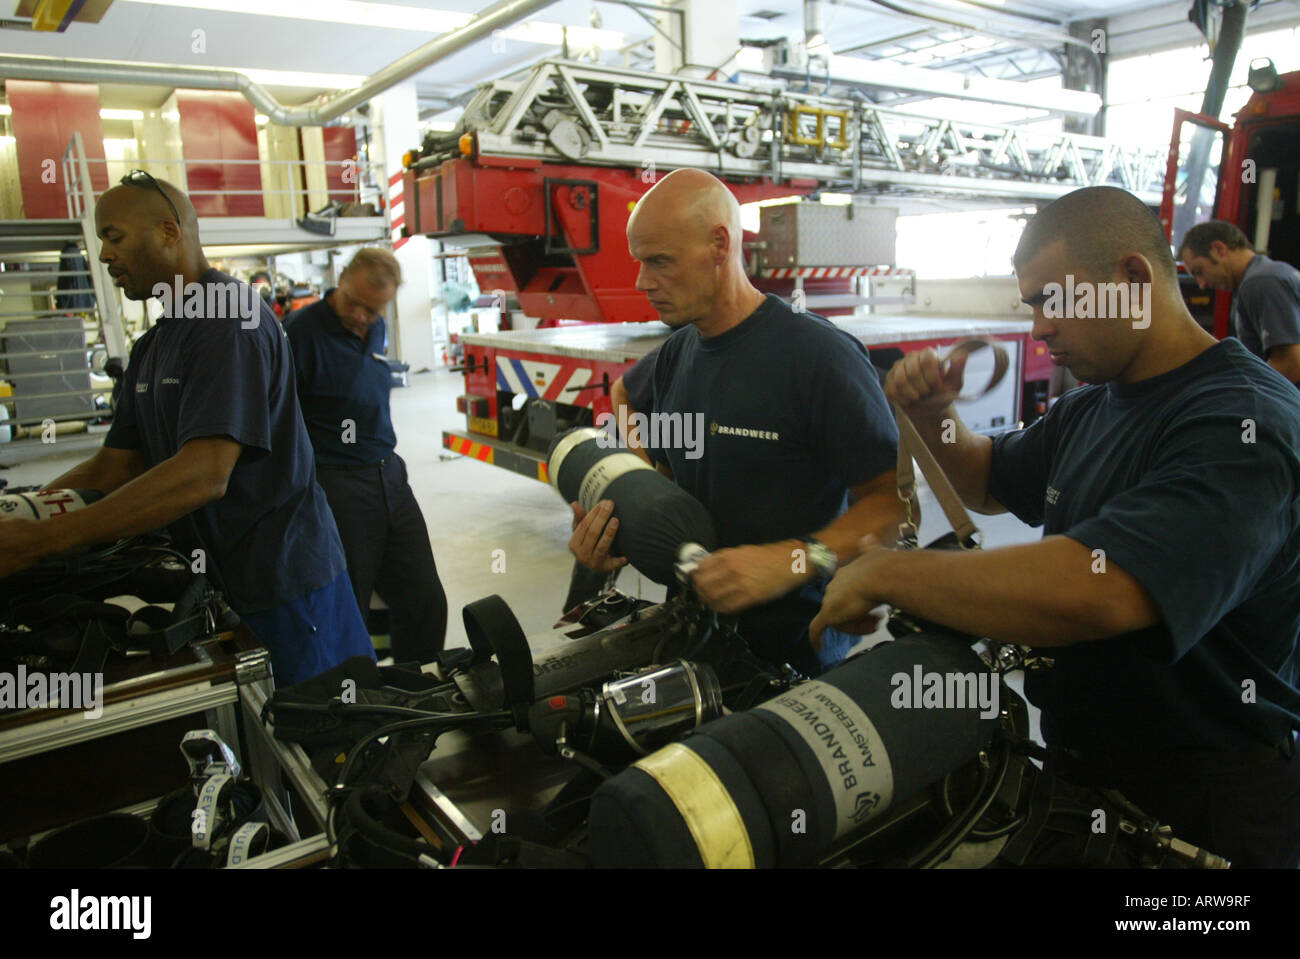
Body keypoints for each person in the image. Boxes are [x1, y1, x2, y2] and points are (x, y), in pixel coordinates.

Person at [812, 186, 1300, 868]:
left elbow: (1106, 588)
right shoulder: (1094, 407)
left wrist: (897, 572)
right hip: (1084, 773)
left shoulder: (1242, 421)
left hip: (1205, 802)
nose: (1039, 326)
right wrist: (935, 416)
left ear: (1132, 279)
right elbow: (987, 482)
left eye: (1051, 299)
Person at [0, 171, 374, 687]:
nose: (104, 255)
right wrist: (24, 516)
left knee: (329, 735)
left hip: (284, 584)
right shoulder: (153, 346)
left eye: (115, 237)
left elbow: (204, 474)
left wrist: (43, 540)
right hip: (216, 584)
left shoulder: (229, 319)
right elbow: (117, 464)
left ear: (170, 233)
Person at [569, 169, 903, 677]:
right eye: (640, 262)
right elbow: (637, 426)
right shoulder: (673, 356)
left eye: (660, 261)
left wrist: (791, 560)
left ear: (720, 245)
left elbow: (889, 503)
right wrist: (627, 516)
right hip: (690, 643)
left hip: (795, 659)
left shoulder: (819, 358)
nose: (642, 282)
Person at [284, 248, 447, 664]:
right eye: (354, 303)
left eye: (373, 310)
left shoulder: (374, 330)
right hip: (337, 485)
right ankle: (357, 700)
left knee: (423, 599)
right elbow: (279, 418)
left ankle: (417, 692)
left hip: (389, 475)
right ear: (340, 279)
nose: (361, 317)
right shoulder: (299, 335)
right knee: (349, 601)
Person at [1179, 220, 1300, 385]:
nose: (1202, 284)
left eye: (1199, 271)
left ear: (1219, 249)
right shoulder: (1270, 272)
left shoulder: (1260, 283)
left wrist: (1236, 394)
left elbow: (1291, 364)